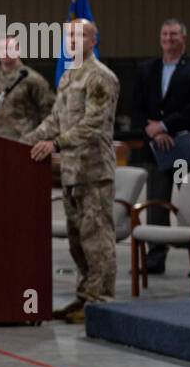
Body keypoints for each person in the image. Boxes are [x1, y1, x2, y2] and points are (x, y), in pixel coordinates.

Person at [25, 19, 120, 323]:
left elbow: (93, 125)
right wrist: (21, 144)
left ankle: (101, 301)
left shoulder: (101, 77)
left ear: (94, 41)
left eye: (81, 36)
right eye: (70, 36)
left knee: (97, 238)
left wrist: (55, 144)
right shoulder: (68, 77)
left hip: (93, 171)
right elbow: (54, 120)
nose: (74, 41)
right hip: (71, 173)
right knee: (77, 240)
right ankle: (84, 296)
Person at [134, 18, 190, 276]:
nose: (168, 38)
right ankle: (155, 258)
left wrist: (165, 126)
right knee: (157, 202)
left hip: (183, 152)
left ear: (183, 38)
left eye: (174, 34)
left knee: (187, 201)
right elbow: (135, 105)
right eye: (164, 34)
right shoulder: (147, 68)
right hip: (156, 150)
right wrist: (153, 131)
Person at [0, 35, 54, 141]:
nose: (4, 52)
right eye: (1, 49)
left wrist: (39, 138)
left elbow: (48, 111)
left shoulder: (32, 78)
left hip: (23, 140)